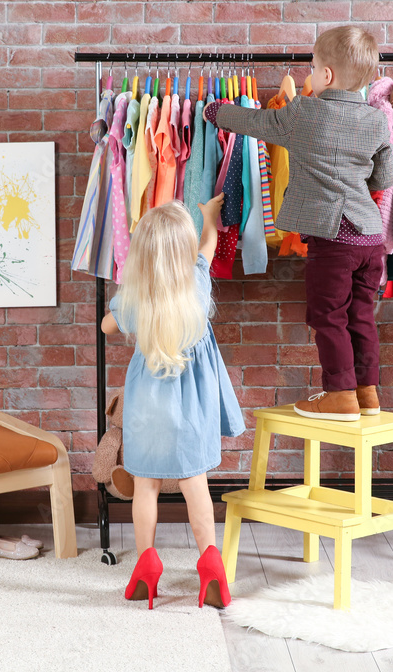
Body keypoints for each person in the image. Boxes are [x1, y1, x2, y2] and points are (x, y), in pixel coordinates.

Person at [205, 26, 393, 422]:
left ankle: (340, 394)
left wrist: (214, 112)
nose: (308, 75)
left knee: (328, 316)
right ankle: (367, 392)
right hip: (370, 239)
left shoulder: (304, 112)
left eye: (311, 68)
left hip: (334, 239)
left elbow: (258, 124)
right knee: (360, 314)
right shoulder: (377, 120)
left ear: (326, 75)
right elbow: (385, 177)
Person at [101, 195, 245, 610]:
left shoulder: (136, 300)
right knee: (194, 484)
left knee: (145, 485)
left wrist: (126, 295)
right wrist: (209, 219)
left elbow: (107, 326)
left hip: (149, 411)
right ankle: (211, 563)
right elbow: (207, 247)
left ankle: (146, 566)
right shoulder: (197, 284)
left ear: (144, 256)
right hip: (193, 410)